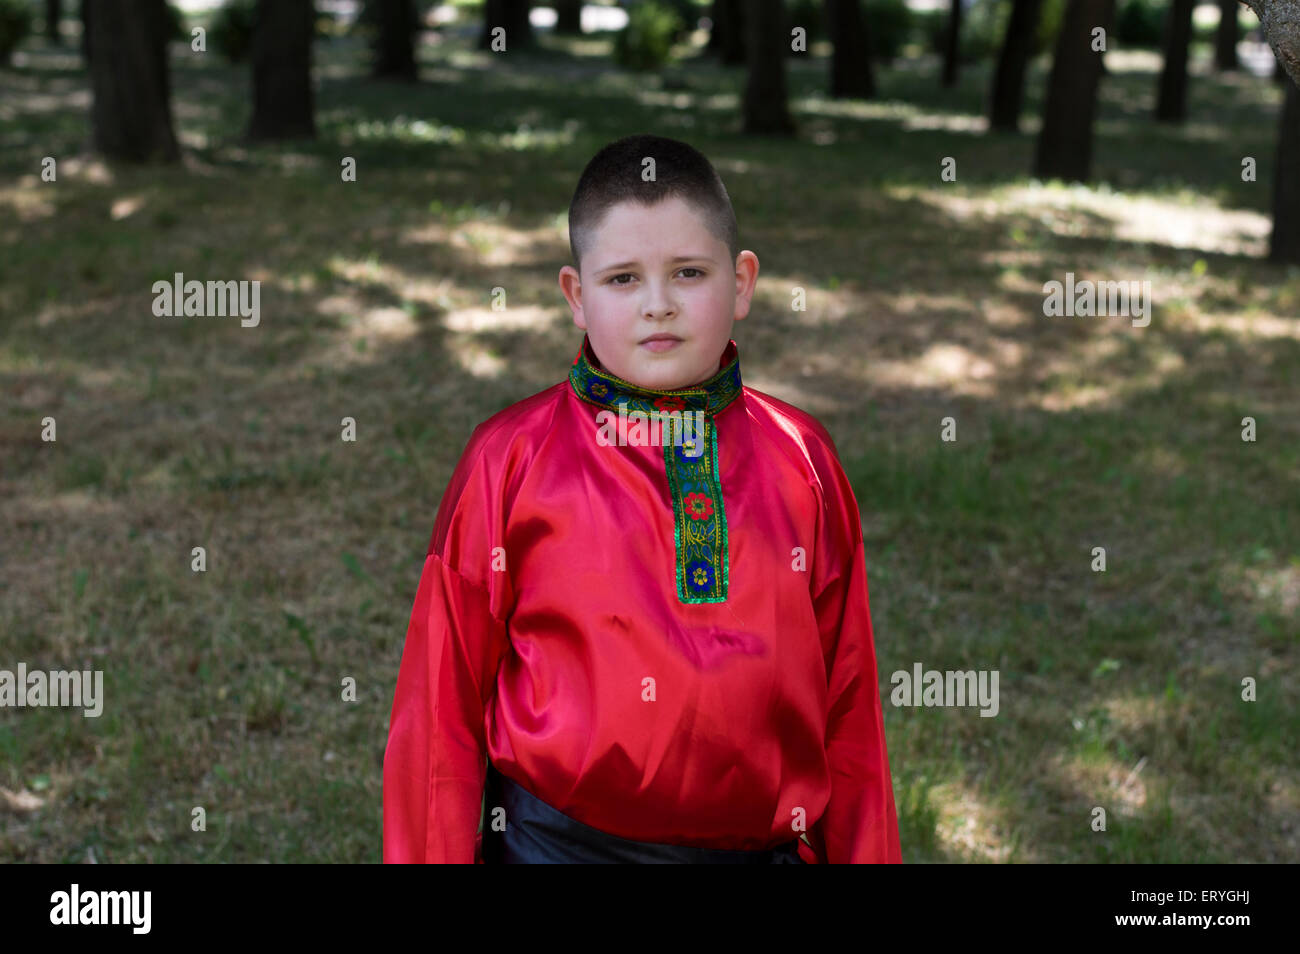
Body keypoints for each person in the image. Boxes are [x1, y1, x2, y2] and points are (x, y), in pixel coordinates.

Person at [382, 133, 901, 864]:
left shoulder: (802, 459)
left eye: (689, 272)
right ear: (576, 295)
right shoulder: (510, 459)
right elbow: (440, 715)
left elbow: (850, 710)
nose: (658, 305)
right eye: (622, 279)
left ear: (743, 282)